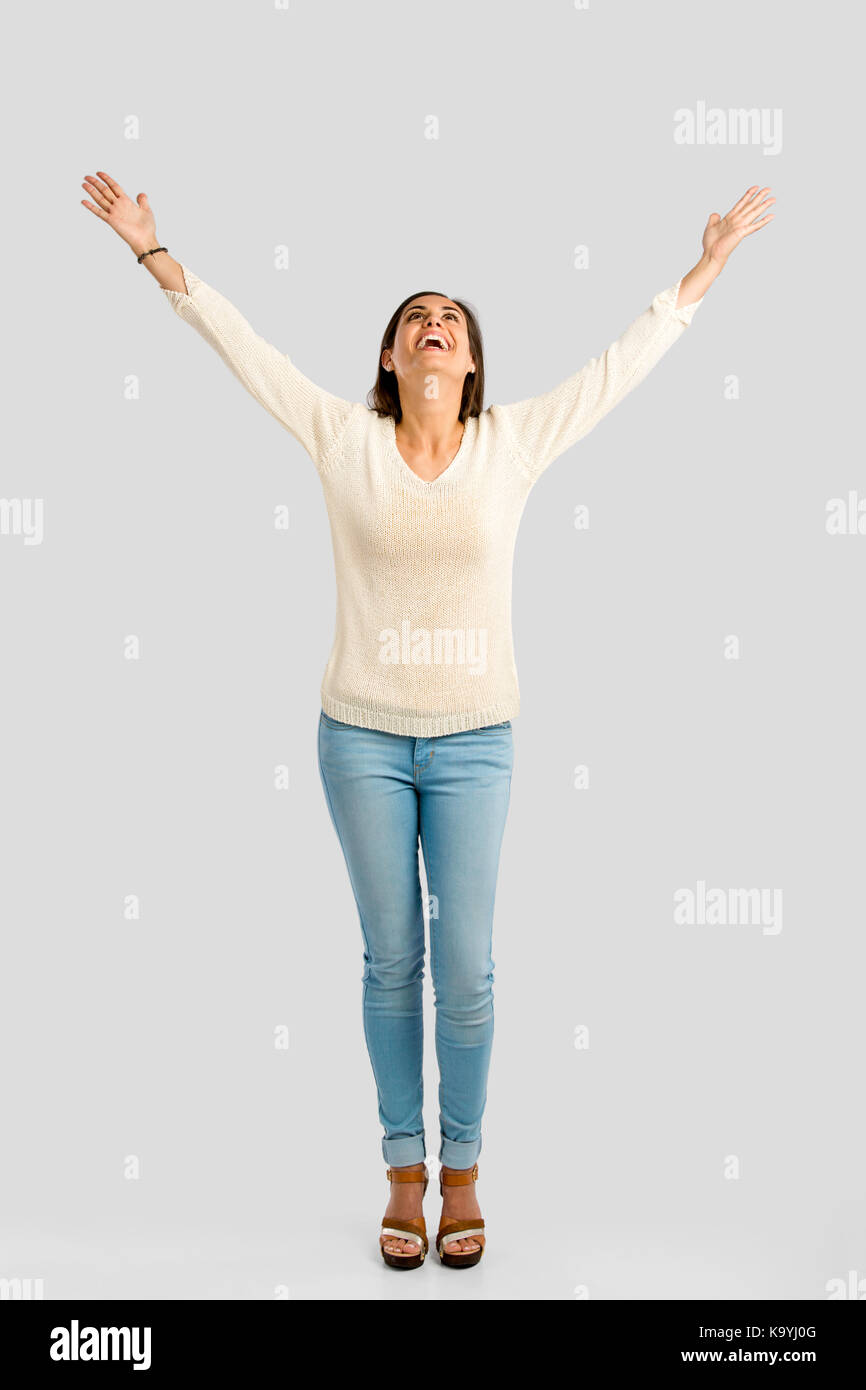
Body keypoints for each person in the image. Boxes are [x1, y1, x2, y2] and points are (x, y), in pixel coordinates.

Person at [81, 170, 774, 1269]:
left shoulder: (511, 443)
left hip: (474, 743)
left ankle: (464, 1173)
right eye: (415, 323)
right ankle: (401, 1173)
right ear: (392, 362)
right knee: (388, 958)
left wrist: (705, 265)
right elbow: (242, 345)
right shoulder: (341, 437)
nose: (434, 329)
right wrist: (151, 252)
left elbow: (617, 368)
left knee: (468, 968)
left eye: (450, 322)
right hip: (357, 736)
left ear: (471, 362)